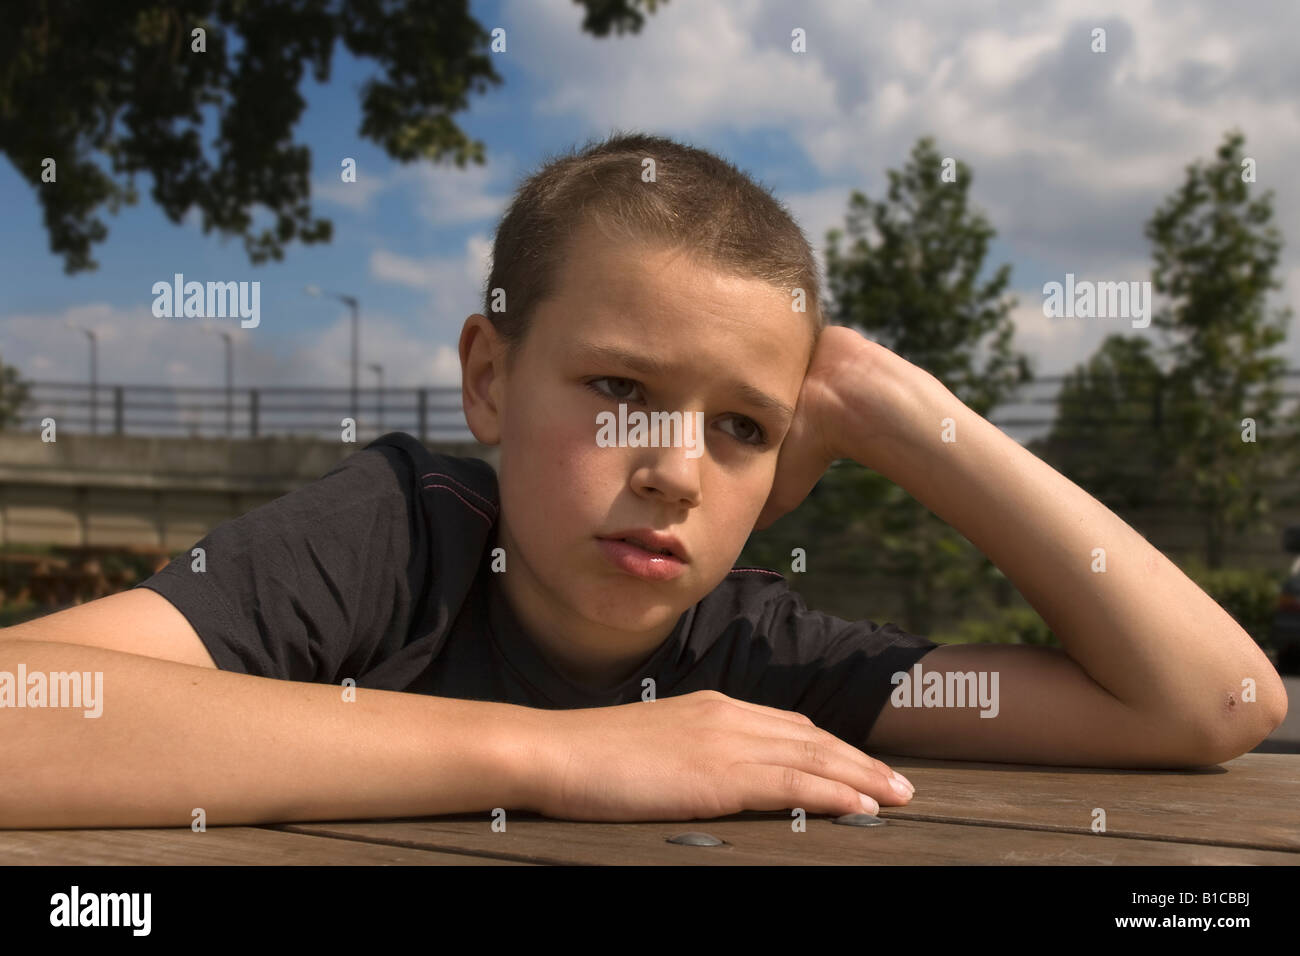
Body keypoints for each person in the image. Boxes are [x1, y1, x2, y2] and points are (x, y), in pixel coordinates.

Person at [0, 132, 1285, 829]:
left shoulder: (756, 649)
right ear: (491, 379)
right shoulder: (401, 530)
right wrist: (560, 755)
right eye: (619, 390)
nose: (675, 468)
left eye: (743, 426)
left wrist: (896, 408)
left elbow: (1216, 699)